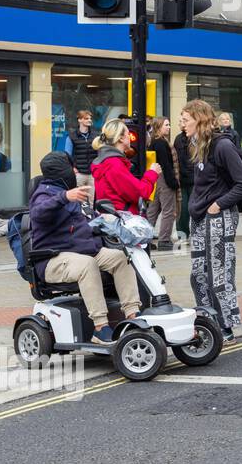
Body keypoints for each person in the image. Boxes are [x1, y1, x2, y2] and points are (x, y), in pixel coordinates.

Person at [29, 152, 142, 344]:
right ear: (59, 171)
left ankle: (133, 316)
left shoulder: (74, 194)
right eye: (70, 167)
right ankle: (100, 328)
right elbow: (38, 213)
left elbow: (85, 225)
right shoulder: (43, 193)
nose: (74, 171)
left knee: (121, 258)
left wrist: (108, 221)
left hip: (82, 252)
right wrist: (64, 197)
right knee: (87, 264)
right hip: (52, 259)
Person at [182, 99, 242, 343]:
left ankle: (225, 325)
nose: (182, 124)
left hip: (219, 218)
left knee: (219, 274)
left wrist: (218, 204)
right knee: (198, 273)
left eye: (186, 119)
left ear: (200, 119)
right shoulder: (197, 145)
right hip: (201, 217)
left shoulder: (222, 146)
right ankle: (208, 320)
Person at [91, 118, 161, 216]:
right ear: (121, 138)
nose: (129, 137)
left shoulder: (105, 161)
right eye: (128, 134)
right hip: (123, 220)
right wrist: (152, 173)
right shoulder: (114, 164)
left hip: (113, 219)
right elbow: (139, 193)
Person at [145, 116, 180, 250]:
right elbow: (166, 164)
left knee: (153, 210)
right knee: (168, 210)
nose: (169, 127)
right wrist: (173, 182)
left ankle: (145, 240)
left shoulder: (154, 141)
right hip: (164, 178)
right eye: (166, 125)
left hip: (156, 178)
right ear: (159, 127)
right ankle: (164, 240)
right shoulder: (161, 142)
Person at [63, 110, 98, 202]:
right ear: (79, 120)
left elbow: (100, 153)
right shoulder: (71, 136)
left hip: (92, 174)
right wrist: (72, 168)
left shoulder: (96, 135)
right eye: (86, 118)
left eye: (90, 118)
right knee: (79, 201)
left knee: (91, 201)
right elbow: (67, 155)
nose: (89, 120)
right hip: (79, 174)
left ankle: (90, 216)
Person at [173, 124, 194, 241]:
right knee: (183, 210)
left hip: (194, 179)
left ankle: (195, 233)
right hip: (182, 180)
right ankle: (182, 234)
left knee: (194, 208)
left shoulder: (196, 139)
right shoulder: (178, 139)